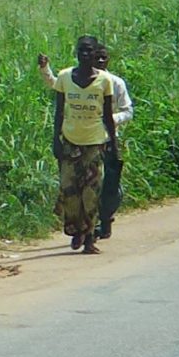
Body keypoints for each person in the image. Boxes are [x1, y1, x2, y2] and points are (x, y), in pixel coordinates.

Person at [37, 36, 116, 254]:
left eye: (89, 51)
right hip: (70, 142)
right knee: (69, 190)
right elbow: (59, 111)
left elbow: (108, 116)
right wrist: (56, 140)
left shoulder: (105, 81)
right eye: (81, 50)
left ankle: (89, 237)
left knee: (91, 192)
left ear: (95, 53)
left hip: (94, 143)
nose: (85, 54)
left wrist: (113, 145)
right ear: (76, 52)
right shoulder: (64, 77)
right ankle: (77, 230)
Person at [94, 41, 134, 240]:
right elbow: (57, 85)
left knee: (109, 182)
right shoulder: (79, 80)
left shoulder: (115, 83)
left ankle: (106, 218)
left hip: (109, 138)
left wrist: (110, 120)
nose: (101, 61)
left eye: (104, 57)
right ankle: (90, 224)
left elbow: (128, 111)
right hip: (84, 138)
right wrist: (45, 70)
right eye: (97, 57)